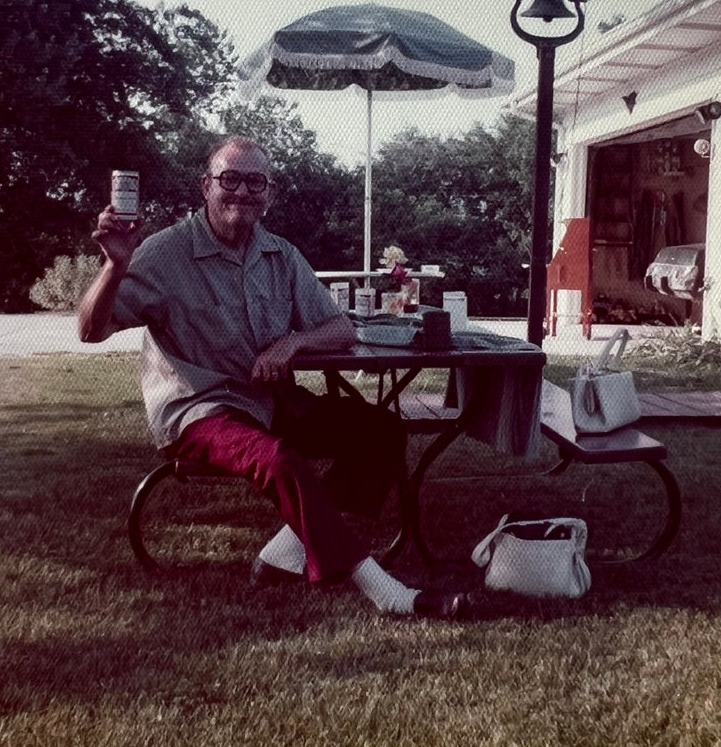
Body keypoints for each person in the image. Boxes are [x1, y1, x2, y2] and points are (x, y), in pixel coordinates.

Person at [78, 135, 466, 619]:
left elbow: (339, 326)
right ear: (205, 186)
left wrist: (293, 343)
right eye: (229, 179)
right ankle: (385, 592)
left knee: (380, 430)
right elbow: (90, 330)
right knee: (280, 460)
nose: (241, 191)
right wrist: (115, 264)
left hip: (266, 401)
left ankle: (284, 551)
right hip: (200, 410)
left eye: (254, 181)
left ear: (270, 193)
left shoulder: (279, 255)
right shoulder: (164, 253)